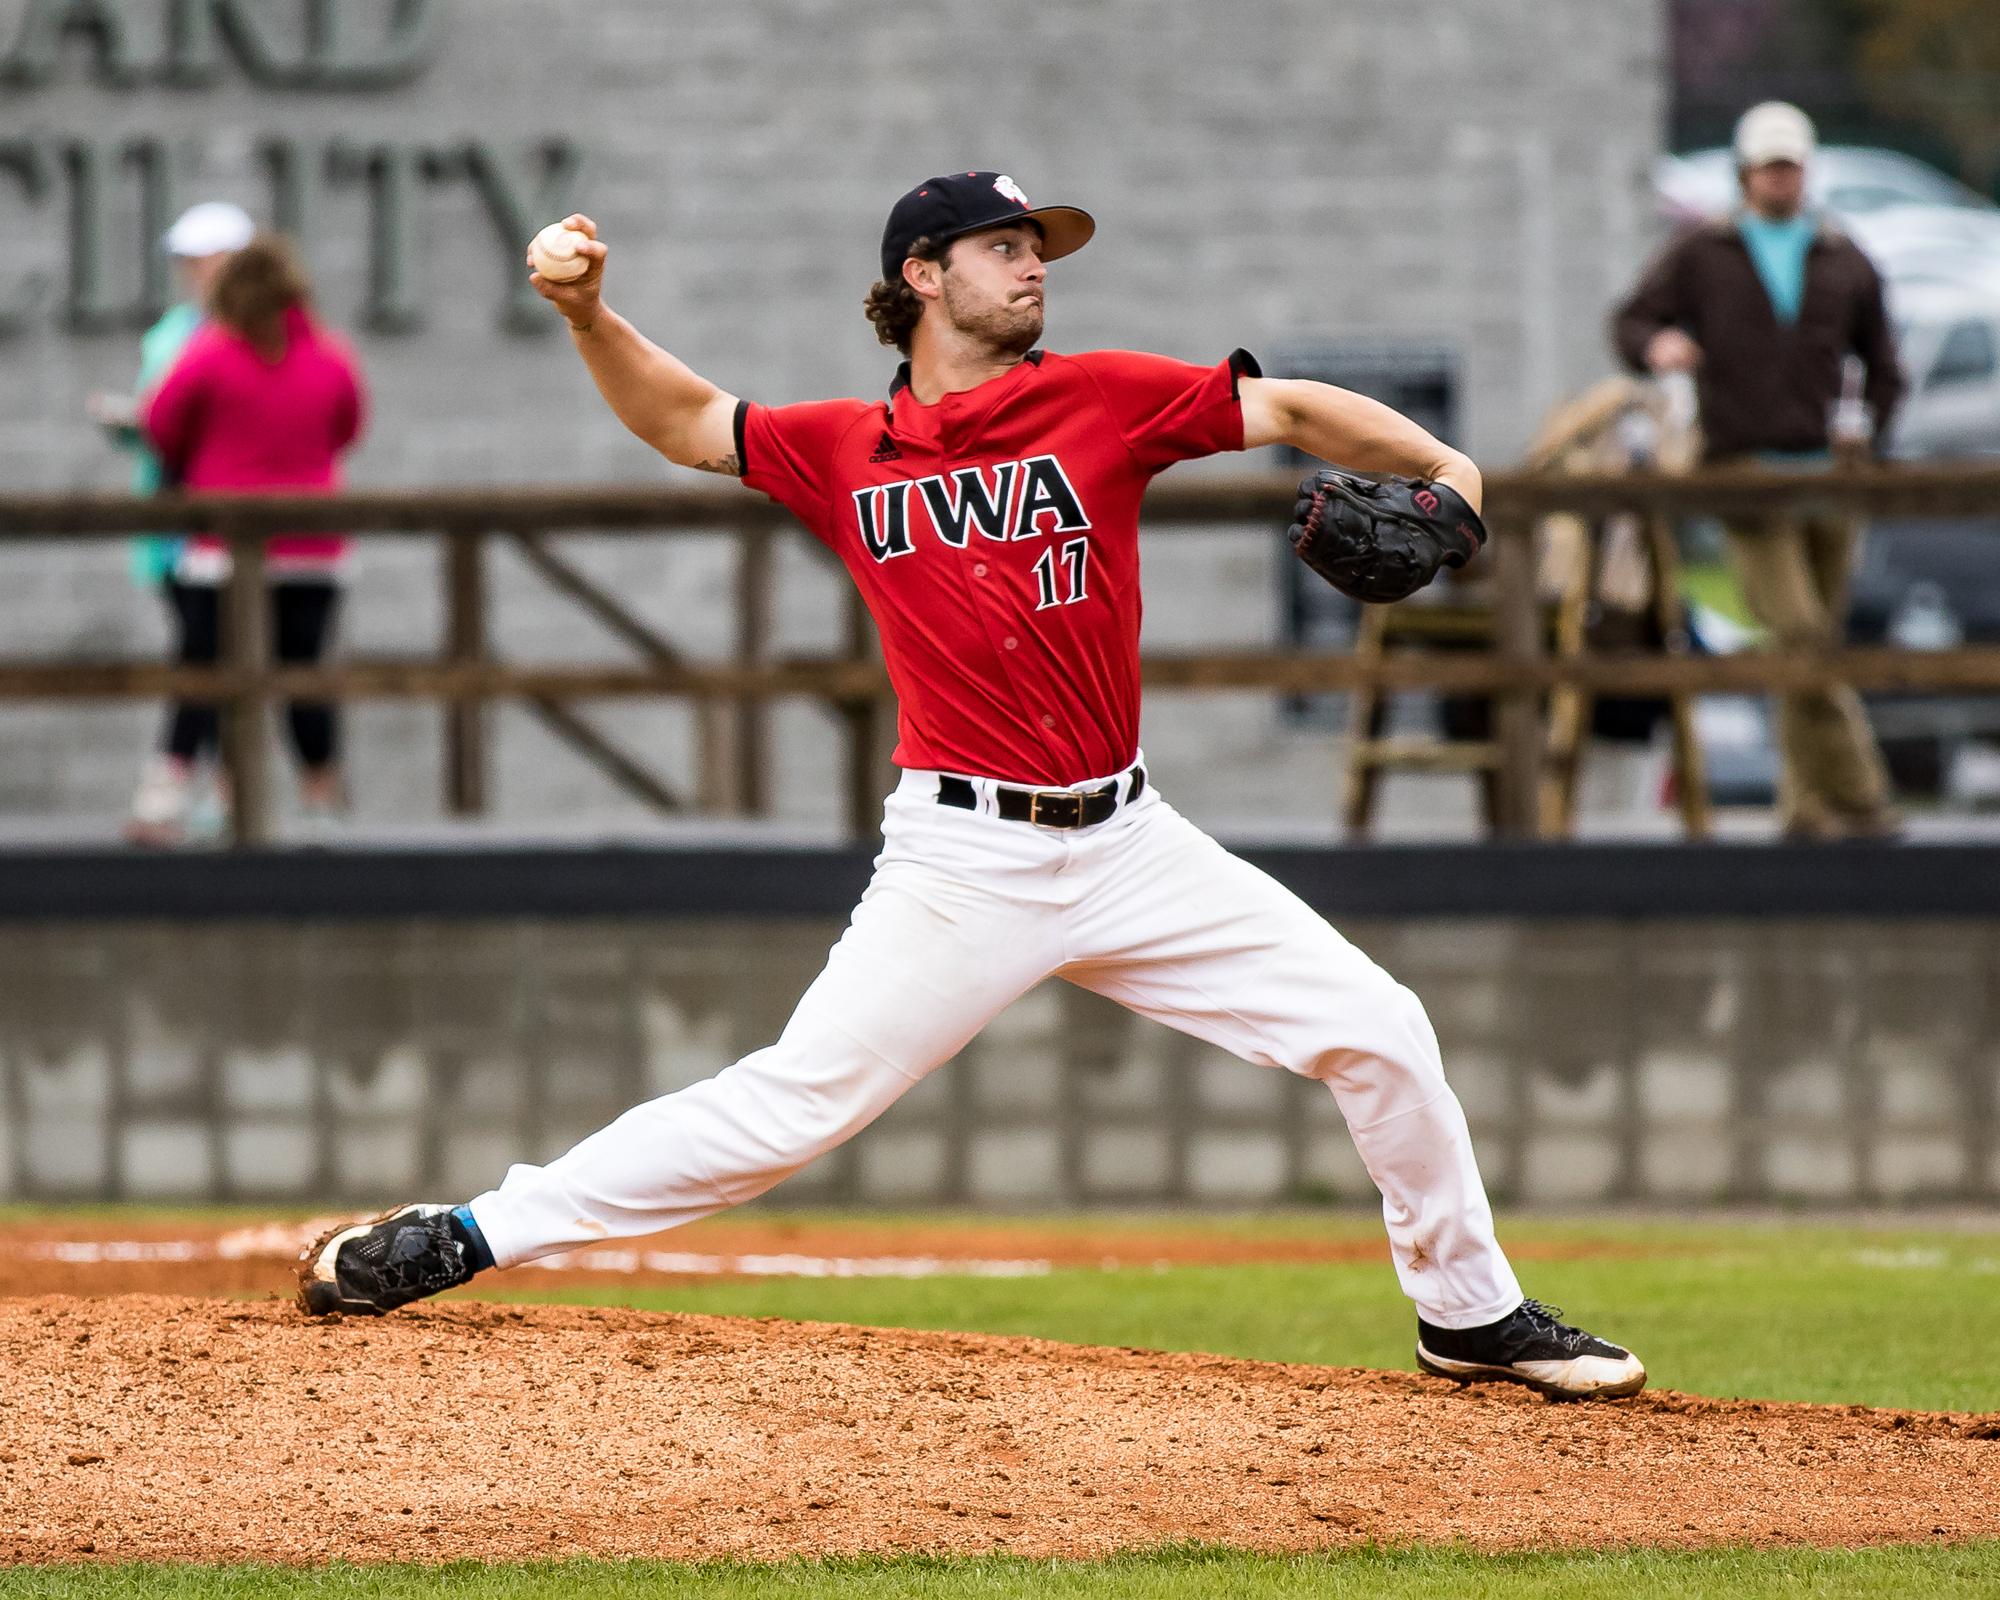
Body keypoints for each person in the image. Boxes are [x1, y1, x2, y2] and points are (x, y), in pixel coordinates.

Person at [299, 172, 1645, 1401]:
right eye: (1005, 247)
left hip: (1131, 843)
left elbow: (1287, 408)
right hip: (961, 862)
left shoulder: (1103, 397)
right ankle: (467, 1232)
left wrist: (1450, 474)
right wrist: (592, 314)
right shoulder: (842, 443)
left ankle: (1466, 1315)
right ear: (921, 276)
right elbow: (688, 424)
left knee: (1381, 1027)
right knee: (793, 1106)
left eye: (1038, 248)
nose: (1036, 267)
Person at [1612, 101, 1906, 841]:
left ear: (1807, 170)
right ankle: (1867, 798)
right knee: (1800, 631)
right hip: (1742, 467)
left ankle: (1805, 807)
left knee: (1807, 649)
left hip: (1827, 472)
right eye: (1770, 166)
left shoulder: (1843, 255)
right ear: (1747, 173)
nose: (1782, 179)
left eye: (1792, 166)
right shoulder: (1704, 251)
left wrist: (1868, 433)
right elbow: (1632, 320)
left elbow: (1886, 364)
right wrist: (1659, 348)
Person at [137, 233, 367, 839]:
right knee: (304, 673)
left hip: (220, 551)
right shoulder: (329, 353)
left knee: (205, 669)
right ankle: (320, 801)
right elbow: (348, 426)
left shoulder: (210, 351)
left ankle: (196, 799)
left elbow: (161, 427)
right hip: (312, 549)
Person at [89, 201, 256, 844]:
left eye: (205, 257)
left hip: (229, 527)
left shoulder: (245, 334)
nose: (195, 270)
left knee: (209, 657)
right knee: (203, 655)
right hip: (178, 528)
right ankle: (211, 791)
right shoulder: (174, 333)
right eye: (189, 259)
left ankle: (191, 791)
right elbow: (167, 425)